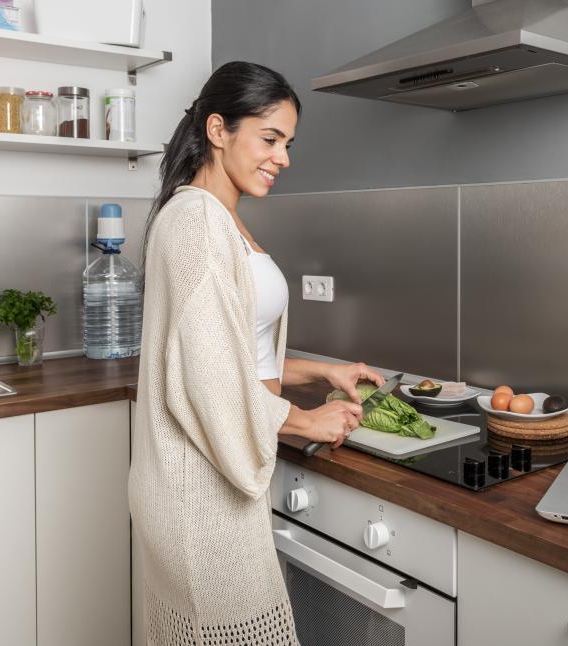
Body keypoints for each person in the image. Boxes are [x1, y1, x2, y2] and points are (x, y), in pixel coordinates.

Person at [129, 61, 385, 645]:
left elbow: (225, 350)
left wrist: (322, 371)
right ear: (218, 130)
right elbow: (207, 378)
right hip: (199, 495)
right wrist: (305, 421)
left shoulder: (218, 217)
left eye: (288, 143)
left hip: (213, 482)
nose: (283, 157)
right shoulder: (195, 222)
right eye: (270, 139)